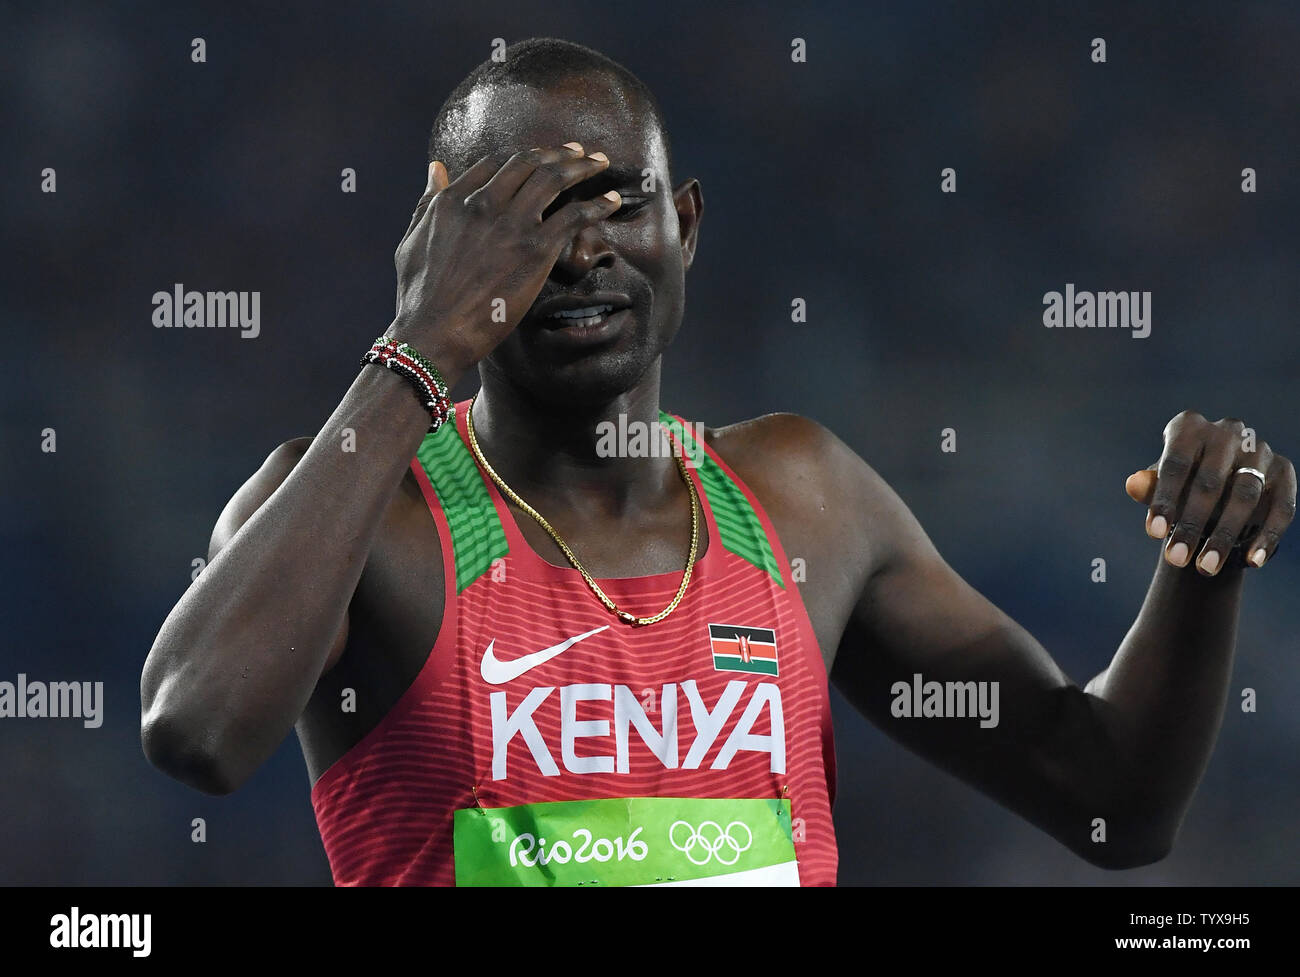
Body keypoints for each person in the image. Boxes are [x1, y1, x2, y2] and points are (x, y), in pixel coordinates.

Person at [140, 37, 1295, 886]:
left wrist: (1204, 561)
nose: (584, 249)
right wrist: (416, 351)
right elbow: (197, 726)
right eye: (531, 216)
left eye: (616, 203)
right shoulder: (364, 506)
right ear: (445, 242)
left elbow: (1111, 800)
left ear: (682, 225)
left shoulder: (802, 497)